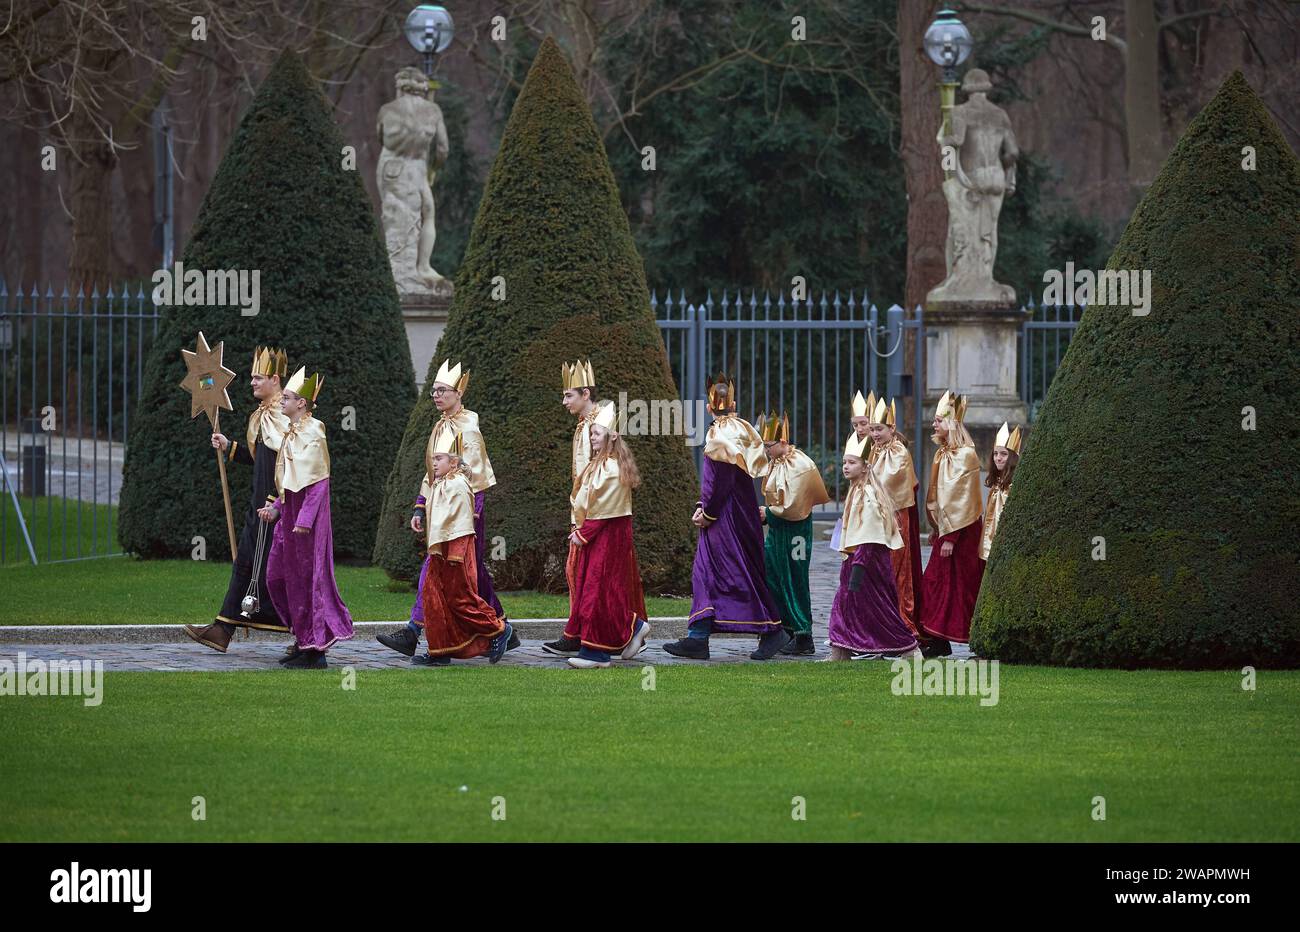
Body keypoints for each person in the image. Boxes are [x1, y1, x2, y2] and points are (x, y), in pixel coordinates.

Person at [377, 359, 516, 657]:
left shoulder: (468, 427)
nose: (437, 396)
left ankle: (413, 631)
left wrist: (474, 513)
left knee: (442, 573)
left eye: (443, 391)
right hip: (442, 512)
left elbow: (476, 476)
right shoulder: (440, 426)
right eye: (434, 391)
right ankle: (501, 627)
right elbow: (433, 471)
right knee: (470, 574)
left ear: (458, 393)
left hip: (464, 515)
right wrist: (420, 506)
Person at [662, 374, 787, 661]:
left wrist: (708, 512)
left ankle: (769, 630)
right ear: (733, 403)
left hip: (725, 517)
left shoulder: (719, 433)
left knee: (715, 571)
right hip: (738, 512)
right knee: (724, 571)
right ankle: (700, 635)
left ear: (709, 407)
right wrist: (703, 504)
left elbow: (719, 480)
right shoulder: (742, 427)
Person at [185, 346, 292, 654]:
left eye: (258, 378)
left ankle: (307, 636)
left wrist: (276, 502)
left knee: (275, 574)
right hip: (258, 507)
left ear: (274, 379)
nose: (252, 383)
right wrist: (230, 446)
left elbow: (286, 465)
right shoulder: (261, 417)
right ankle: (222, 629)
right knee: (244, 566)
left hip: (275, 508)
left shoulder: (283, 417)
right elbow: (260, 459)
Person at [260, 367, 354, 668]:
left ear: (301, 403)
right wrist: (276, 509)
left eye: (286, 398)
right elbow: (290, 480)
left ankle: (315, 648)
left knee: (308, 579)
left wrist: (305, 519)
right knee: (277, 577)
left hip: (307, 520)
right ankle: (302, 637)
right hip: (290, 513)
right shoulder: (291, 433)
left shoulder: (313, 431)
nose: (281, 402)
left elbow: (318, 481)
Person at [409, 428, 512, 666]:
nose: (433, 463)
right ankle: (441, 650)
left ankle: (498, 629)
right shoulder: (440, 483)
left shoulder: (457, 485)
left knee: (460, 599)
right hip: (438, 552)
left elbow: (461, 524)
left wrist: (454, 555)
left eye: (439, 459)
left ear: (453, 461)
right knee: (434, 598)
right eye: (433, 458)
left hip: (453, 554)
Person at [561, 401, 651, 668]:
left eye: (596, 433)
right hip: (597, 538)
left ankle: (597, 653)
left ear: (612, 436)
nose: (592, 437)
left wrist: (583, 533)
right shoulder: (598, 464)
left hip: (607, 540)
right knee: (600, 592)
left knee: (597, 592)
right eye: (591, 433)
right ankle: (632, 626)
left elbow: (602, 510)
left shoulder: (611, 468)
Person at [826, 432, 918, 660]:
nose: (846, 467)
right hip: (854, 561)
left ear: (865, 466)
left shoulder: (868, 495)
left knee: (879, 610)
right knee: (844, 605)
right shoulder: (856, 489)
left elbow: (869, 535)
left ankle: (909, 649)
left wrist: (858, 567)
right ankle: (841, 650)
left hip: (867, 565)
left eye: (852, 463)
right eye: (844, 462)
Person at [756, 411, 830, 656]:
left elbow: (795, 506)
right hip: (778, 532)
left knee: (795, 580)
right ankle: (784, 628)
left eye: (769, 445)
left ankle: (803, 635)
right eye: (764, 445)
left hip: (796, 534)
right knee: (773, 577)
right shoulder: (775, 462)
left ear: (783, 442)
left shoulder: (800, 463)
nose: (766, 450)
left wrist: (769, 512)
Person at [918, 390, 983, 651]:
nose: (934, 425)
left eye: (938, 420)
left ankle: (957, 636)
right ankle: (936, 638)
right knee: (935, 582)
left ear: (952, 423)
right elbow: (939, 494)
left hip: (961, 533)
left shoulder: (966, 454)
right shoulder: (942, 453)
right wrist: (937, 528)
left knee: (960, 586)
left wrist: (951, 537)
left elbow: (962, 499)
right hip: (945, 532)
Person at [866, 395, 930, 647]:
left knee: (895, 572)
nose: (874, 434)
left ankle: (899, 626)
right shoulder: (875, 450)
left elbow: (889, 487)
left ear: (892, 428)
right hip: (876, 519)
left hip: (893, 518)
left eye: (879, 429)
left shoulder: (897, 452)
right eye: (872, 429)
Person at [829, 389, 874, 553]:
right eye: (855, 425)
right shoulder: (854, 441)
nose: (860, 429)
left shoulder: (881, 446)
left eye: (864, 423)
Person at [980, 421, 1022, 562]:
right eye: (995, 453)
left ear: (1012, 457)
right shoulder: (996, 485)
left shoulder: (1014, 485)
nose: (998, 458)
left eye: (1003, 454)